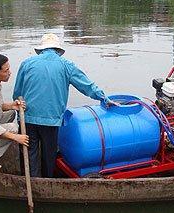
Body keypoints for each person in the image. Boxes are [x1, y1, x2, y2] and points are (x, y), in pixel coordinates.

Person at [13, 33, 113, 178]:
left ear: (41, 50)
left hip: (27, 117)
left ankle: (32, 181)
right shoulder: (66, 65)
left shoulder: (26, 63)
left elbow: (17, 94)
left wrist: (19, 116)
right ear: (57, 50)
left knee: (30, 153)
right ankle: (47, 182)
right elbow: (87, 86)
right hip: (52, 120)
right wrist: (103, 98)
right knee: (49, 155)